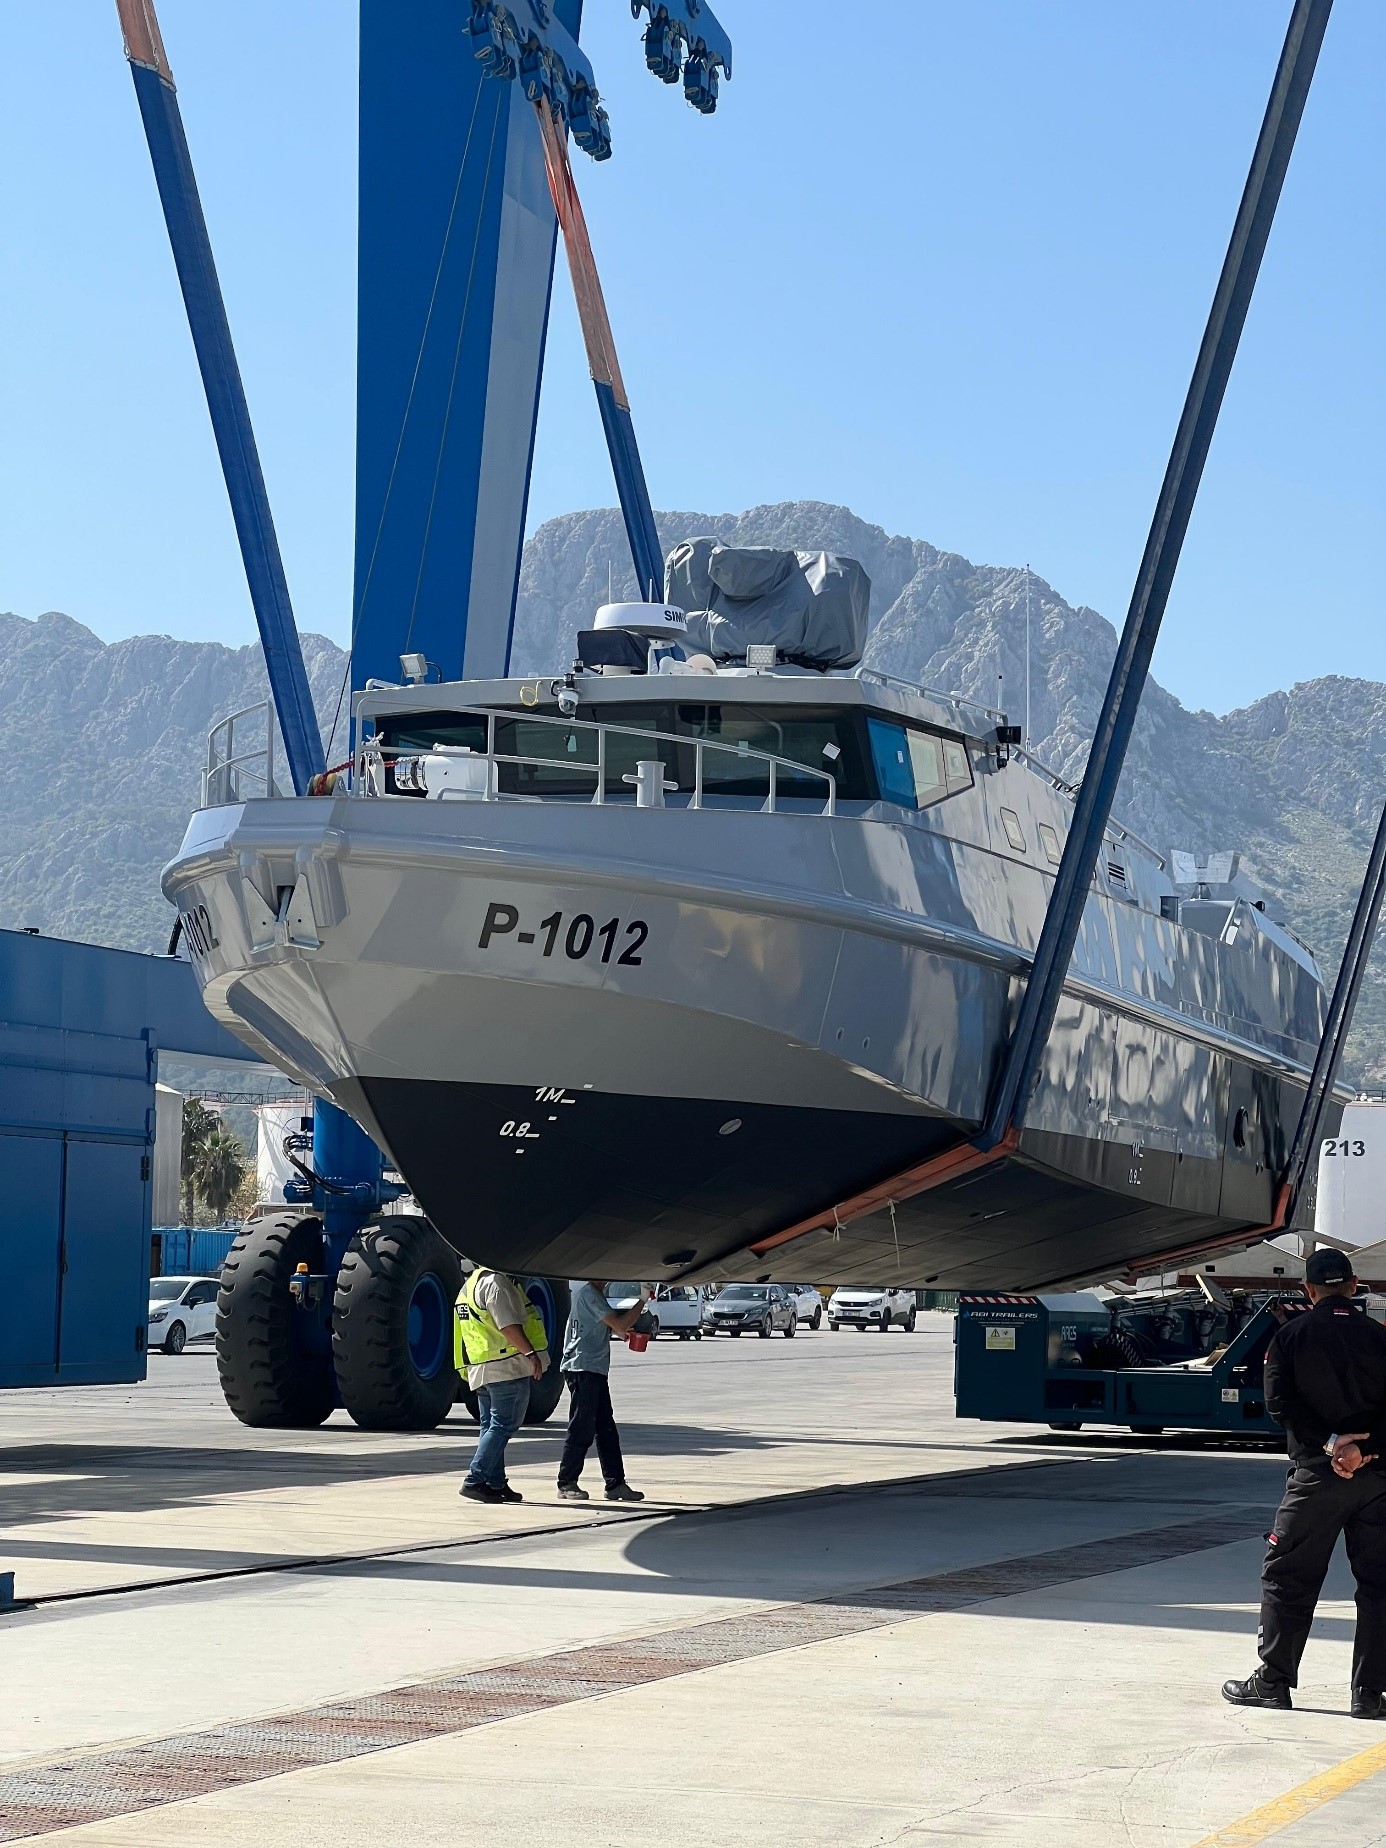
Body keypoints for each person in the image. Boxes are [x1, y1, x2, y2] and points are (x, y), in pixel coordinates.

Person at [1223, 1247, 1386, 1718]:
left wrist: (1334, 1443)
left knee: (1289, 1575)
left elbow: (1281, 1407)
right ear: (1354, 1286)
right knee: (1379, 1584)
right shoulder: (1380, 1339)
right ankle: (1369, 1694)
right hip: (1378, 1480)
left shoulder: (1290, 1338)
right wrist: (1364, 1452)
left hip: (1315, 1477)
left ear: (1308, 1290)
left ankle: (1273, 1682)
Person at [454, 1268, 551, 1506]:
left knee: (490, 1428)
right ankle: (475, 1479)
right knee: (504, 1425)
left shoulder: (468, 1287)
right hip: (505, 1367)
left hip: (481, 1368)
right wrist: (530, 1353)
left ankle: (495, 1484)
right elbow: (507, 1325)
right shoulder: (496, 1283)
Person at [556, 1280, 647, 1503]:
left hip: (593, 1369)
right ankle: (566, 1482)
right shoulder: (590, 1294)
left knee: (605, 1428)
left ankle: (615, 1484)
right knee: (582, 1426)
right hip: (583, 1368)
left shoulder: (594, 1294)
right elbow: (619, 1324)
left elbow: (605, 1325)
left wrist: (619, 1332)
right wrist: (642, 1299)